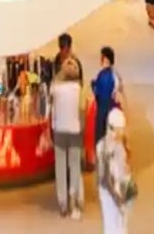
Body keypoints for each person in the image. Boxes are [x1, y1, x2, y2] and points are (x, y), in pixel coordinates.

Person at [50, 58, 85, 219]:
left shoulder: (55, 88)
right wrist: (82, 128)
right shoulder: (79, 90)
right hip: (75, 131)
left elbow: (51, 108)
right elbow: (82, 111)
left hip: (59, 130)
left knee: (60, 167)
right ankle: (74, 200)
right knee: (75, 166)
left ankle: (62, 204)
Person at [97, 108, 136, 234]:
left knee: (121, 227)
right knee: (112, 227)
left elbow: (127, 169)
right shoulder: (103, 147)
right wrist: (117, 197)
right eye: (119, 130)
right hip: (110, 193)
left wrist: (128, 191)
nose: (121, 133)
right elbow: (106, 177)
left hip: (121, 190)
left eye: (122, 130)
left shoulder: (121, 145)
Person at [91, 46, 120, 143]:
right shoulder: (114, 75)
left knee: (101, 137)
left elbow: (98, 91)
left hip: (104, 109)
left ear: (106, 59)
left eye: (102, 57)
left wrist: (93, 85)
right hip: (109, 109)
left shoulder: (104, 75)